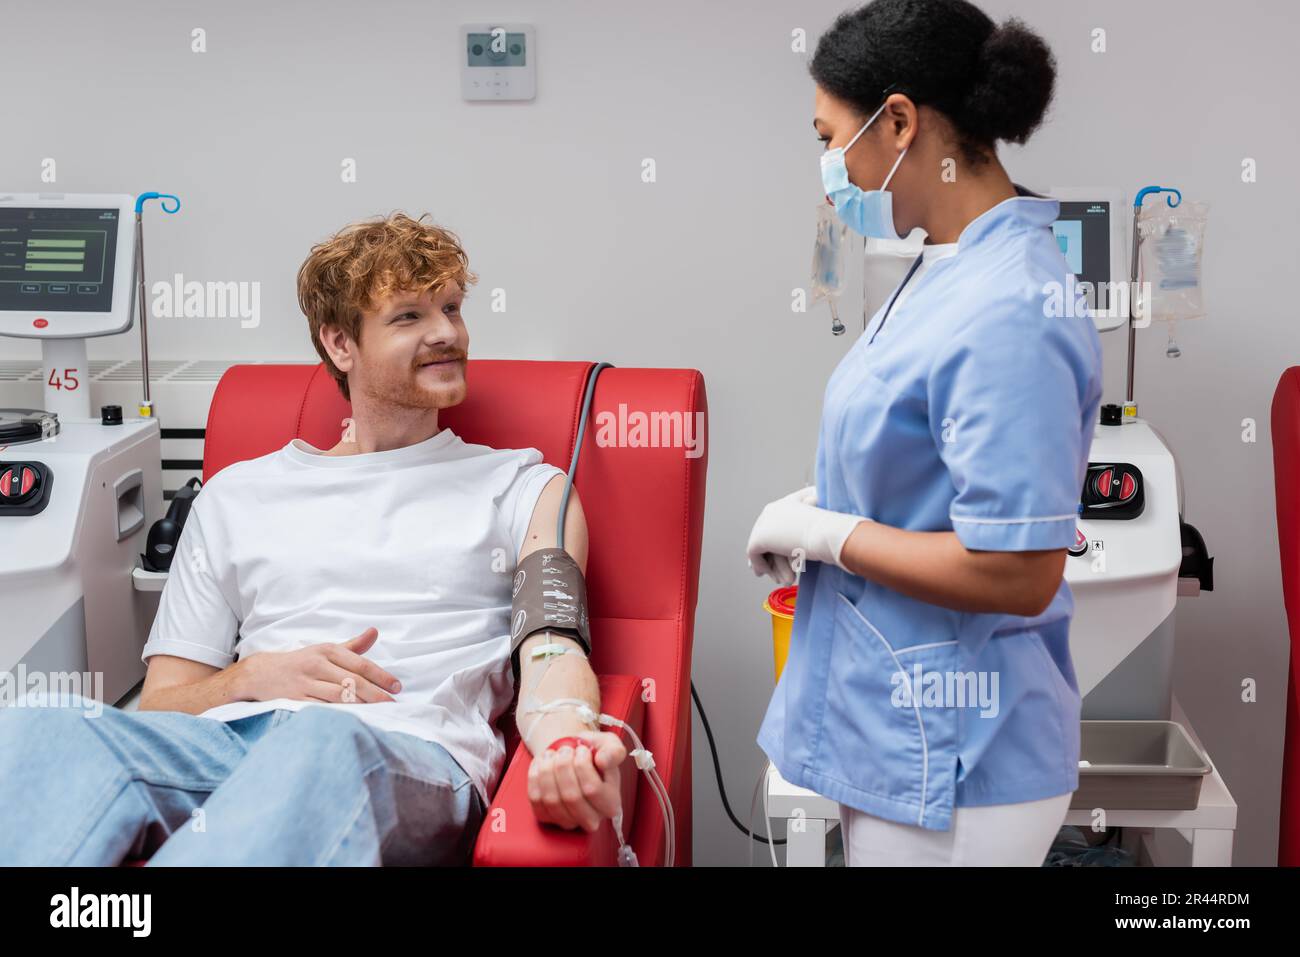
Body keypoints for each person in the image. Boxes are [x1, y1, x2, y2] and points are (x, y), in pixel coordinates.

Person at [0, 212, 626, 866]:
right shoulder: (235, 495)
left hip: (399, 756)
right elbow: (163, 703)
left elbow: (553, 652)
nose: (447, 333)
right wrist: (253, 675)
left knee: (324, 738)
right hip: (230, 746)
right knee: (45, 720)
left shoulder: (525, 486)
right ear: (339, 343)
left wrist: (567, 744)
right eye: (409, 316)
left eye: (451, 307)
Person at [747, 0, 1103, 866]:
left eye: (831, 138)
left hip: (960, 749)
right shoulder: (943, 268)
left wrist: (829, 533)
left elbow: (1016, 572)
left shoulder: (1009, 302)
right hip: (902, 724)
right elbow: (918, 464)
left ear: (899, 121)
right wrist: (824, 506)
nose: (829, 165)